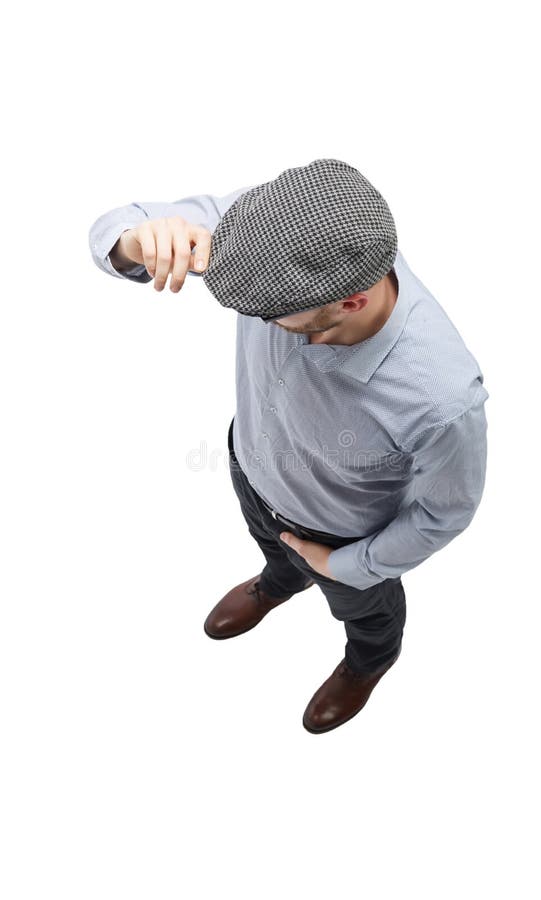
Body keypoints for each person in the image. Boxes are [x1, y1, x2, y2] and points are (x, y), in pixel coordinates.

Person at [88, 159, 489, 734]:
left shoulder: (442, 398)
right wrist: (136, 241)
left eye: (271, 317)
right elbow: (117, 228)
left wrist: (349, 564)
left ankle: (368, 661)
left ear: (350, 302)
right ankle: (280, 579)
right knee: (273, 548)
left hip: (342, 535)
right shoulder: (270, 226)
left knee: (367, 616)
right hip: (252, 468)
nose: (256, 320)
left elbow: (445, 513)